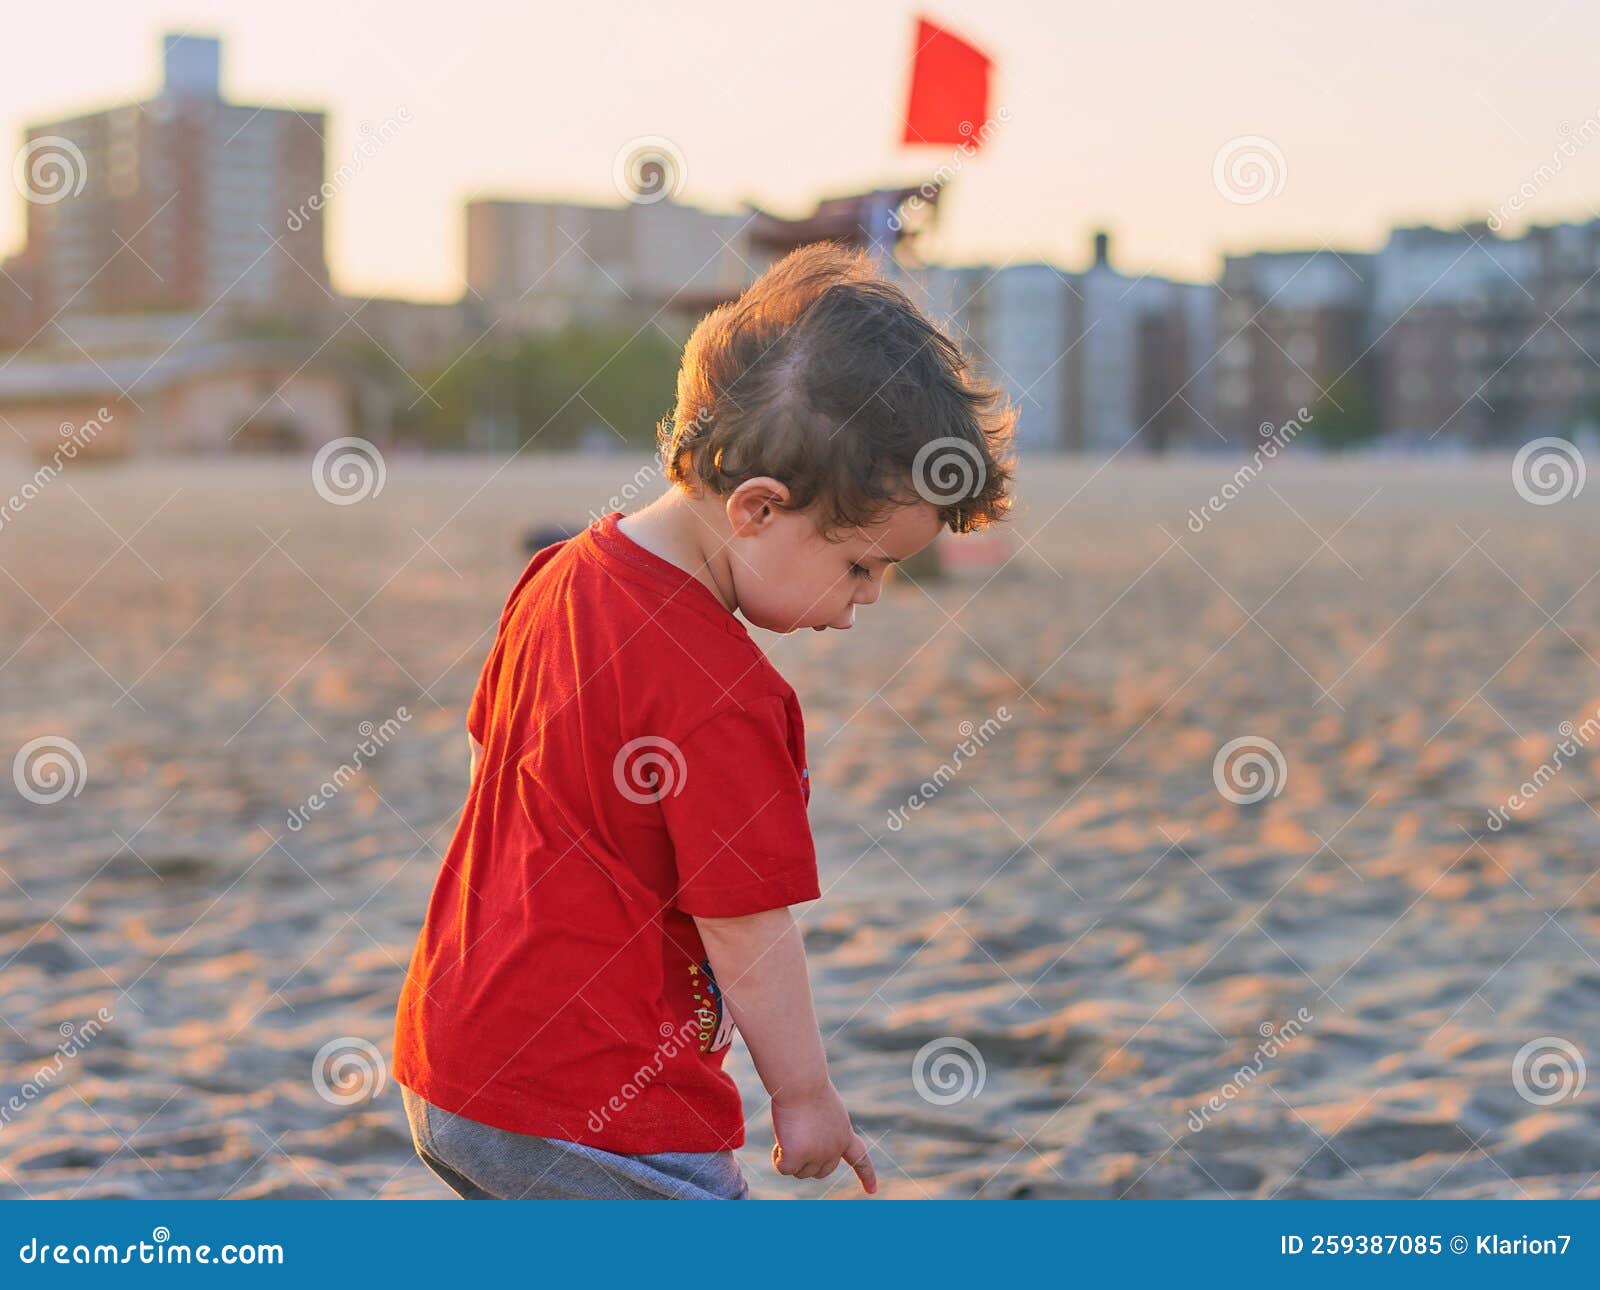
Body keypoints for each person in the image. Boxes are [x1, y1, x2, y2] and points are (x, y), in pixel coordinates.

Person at [393, 240, 1016, 1199]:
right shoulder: (725, 695)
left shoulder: (559, 575)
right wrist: (805, 1097)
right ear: (761, 508)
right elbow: (748, 926)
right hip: (589, 1104)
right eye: (861, 564)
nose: (873, 597)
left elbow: (495, 771)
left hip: (456, 1059)